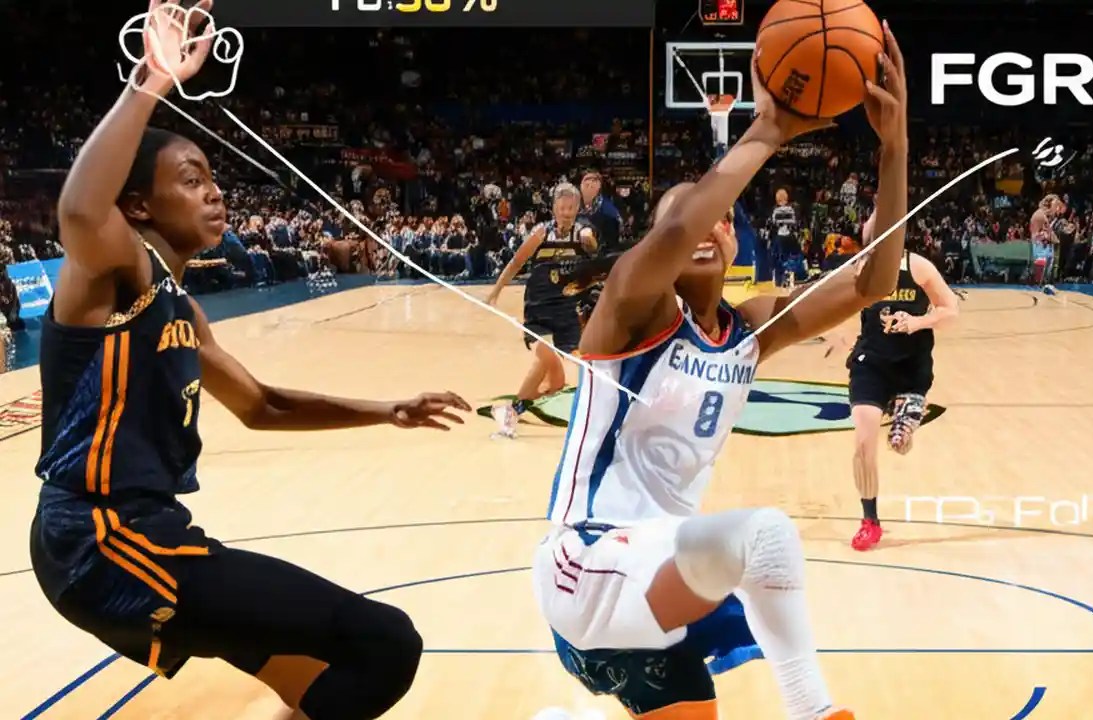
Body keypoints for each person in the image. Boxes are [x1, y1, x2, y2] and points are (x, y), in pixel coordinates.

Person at [28, 4, 471, 718]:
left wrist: (386, 411)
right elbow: (80, 209)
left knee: (353, 665)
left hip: (151, 533)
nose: (216, 191)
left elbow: (262, 406)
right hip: (98, 538)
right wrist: (151, 81)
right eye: (193, 179)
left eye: (213, 179)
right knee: (385, 641)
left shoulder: (182, 308)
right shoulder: (114, 273)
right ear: (138, 205)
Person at [533, 25, 909, 720]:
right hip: (583, 562)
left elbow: (874, 280)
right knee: (764, 536)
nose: (704, 228)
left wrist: (894, 147)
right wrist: (766, 130)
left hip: (657, 579)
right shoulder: (629, 310)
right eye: (684, 216)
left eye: (721, 218)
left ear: (736, 235)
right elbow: (675, 232)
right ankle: (814, 711)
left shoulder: (748, 328)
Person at [826, 220, 959, 552]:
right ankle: (870, 520)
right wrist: (833, 334)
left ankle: (908, 416)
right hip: (870, 362)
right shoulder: (858, 269)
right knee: (863, 439)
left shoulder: (918, 266)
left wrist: (918, 321)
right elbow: (826, 306)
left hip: (910, 365)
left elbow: (951, 311)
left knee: (899, 445)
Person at [486, 183, 597, 438]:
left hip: (569, 311)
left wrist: (588, 240)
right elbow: (515, 263)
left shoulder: (583, 231)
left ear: (578, 208)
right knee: (547, 356)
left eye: (571, 208)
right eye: (562, 208)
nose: (566, 213)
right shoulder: (540, 233)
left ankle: (511, 411)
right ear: (554, 208)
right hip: (539, 309)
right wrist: (495, 292)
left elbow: (592, 246)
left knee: (558, 382)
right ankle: (511, 413)